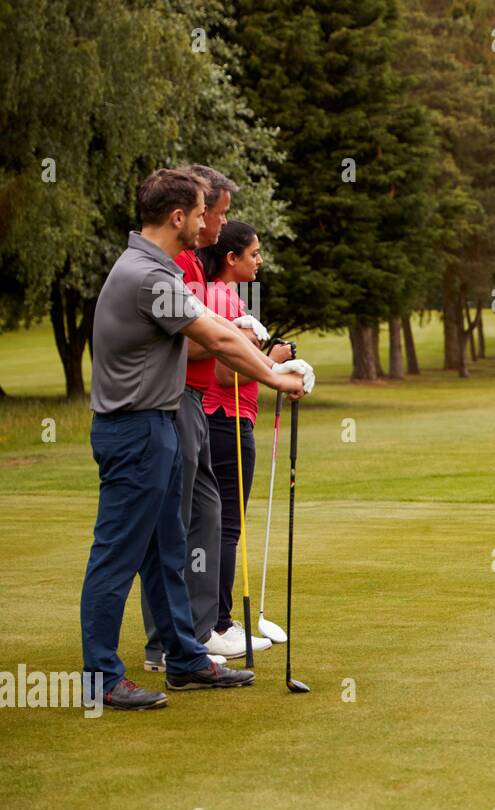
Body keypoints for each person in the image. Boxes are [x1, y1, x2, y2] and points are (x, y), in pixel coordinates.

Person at [81, 168, 313, 710]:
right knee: (117, 554)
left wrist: (266, 356)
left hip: (156, 424)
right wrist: (277, 377)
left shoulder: (156, 269)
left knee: (168, 552)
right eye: (204, 210)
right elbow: (212, 337)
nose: (212, 220)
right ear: (178, 217)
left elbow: (224, 327)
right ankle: (100, 677)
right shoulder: (148, 278)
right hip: (134, 430)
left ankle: (184, 660)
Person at [139, 164, 273, 669]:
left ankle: (186, 637)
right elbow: (202, 349)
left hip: (186, 405)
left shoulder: (186, 268)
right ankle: (185, 638)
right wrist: (263, 361)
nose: (209, 225)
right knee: (177, 525)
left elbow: (204, 338)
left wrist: (236, 339)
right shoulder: (177, 270)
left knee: (197, 518)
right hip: (180, 406)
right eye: (210, 214)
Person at [197, 221, 295, 642]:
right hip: (226, 418)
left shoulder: (222, 296)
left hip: (222, 419)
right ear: (231, 258)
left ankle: (215, 622)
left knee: (214, 525)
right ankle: (219, 623)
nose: (259, 260)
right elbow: (223, 371)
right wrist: (273, 360)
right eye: (253, 253)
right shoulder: (224, 298)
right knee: (225, 527)